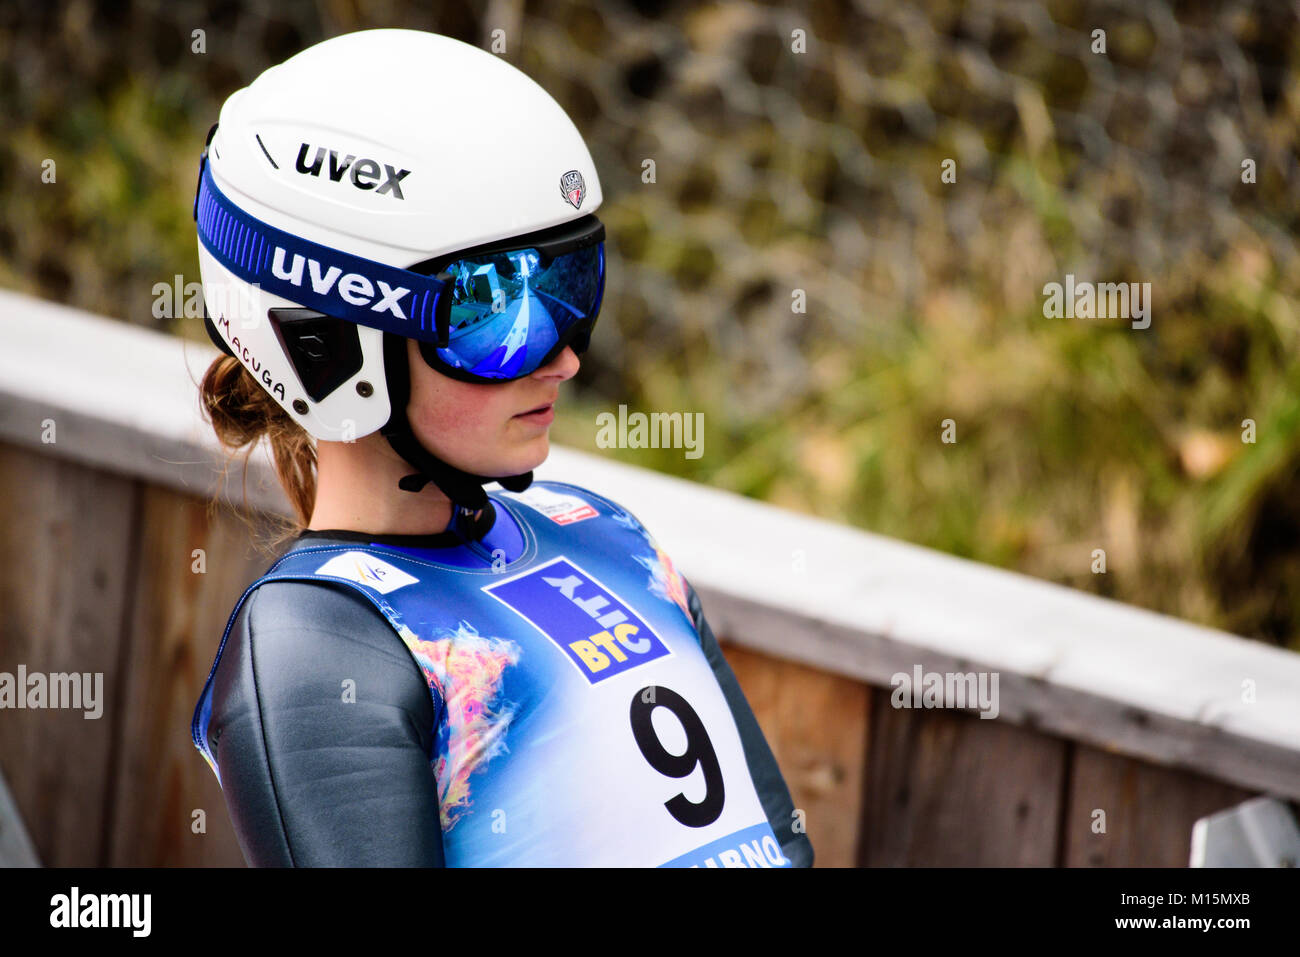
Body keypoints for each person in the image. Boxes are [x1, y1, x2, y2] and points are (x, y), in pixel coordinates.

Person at [189, 28, 813, 868]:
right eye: (492, 310)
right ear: (329, 346)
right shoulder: (318, 647)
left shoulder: (608, 531)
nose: (565, 356)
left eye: (570, 284)